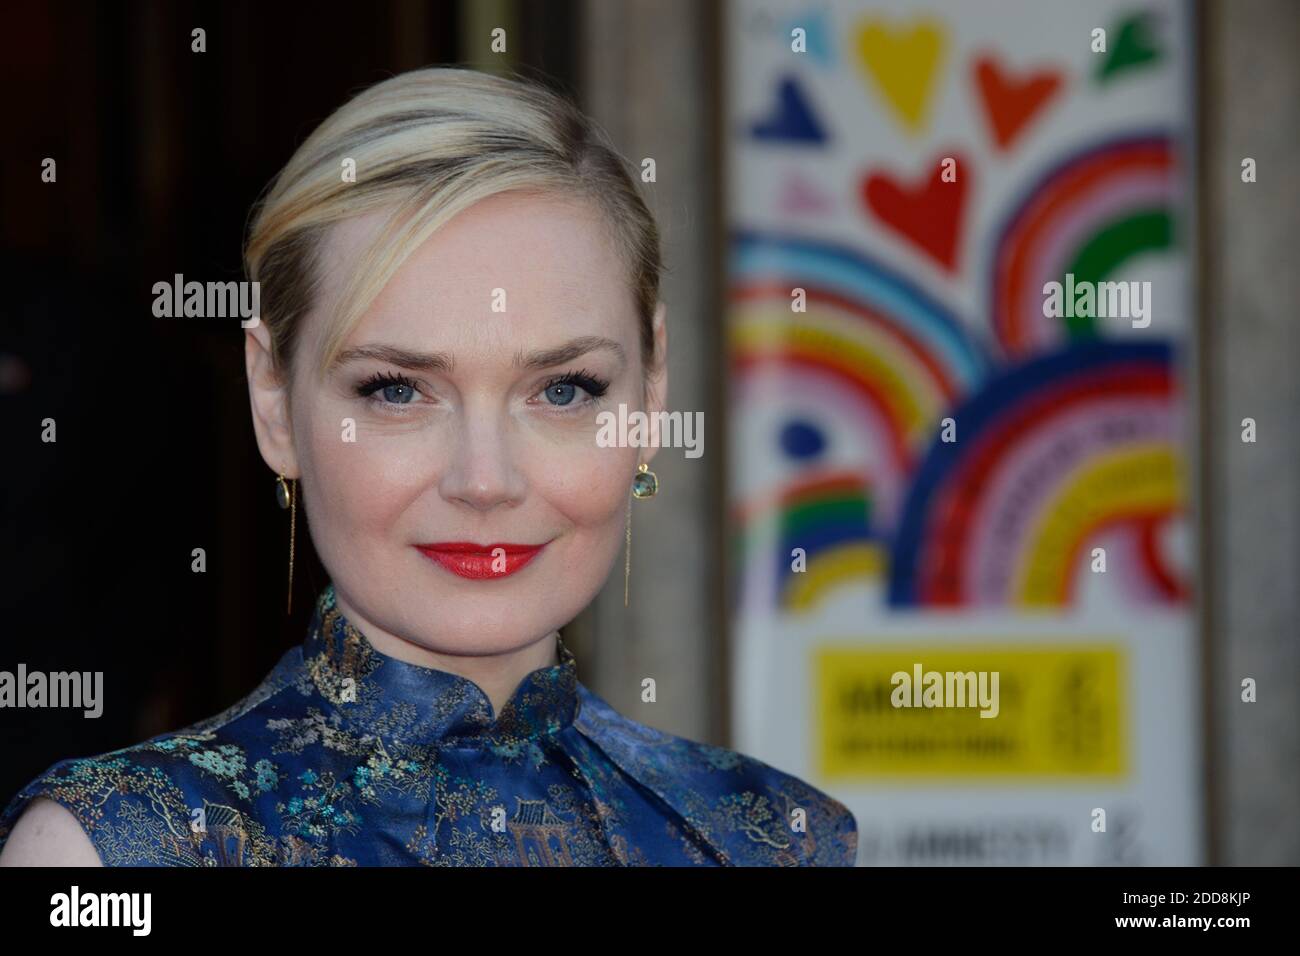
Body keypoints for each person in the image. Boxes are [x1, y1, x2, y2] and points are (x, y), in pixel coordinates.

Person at [0, 66, 857, 866]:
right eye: (397, 390)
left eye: (563, 389)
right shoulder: (110, 851)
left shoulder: (781, 839)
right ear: (274, 400)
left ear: (650, 392)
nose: (484, 481)